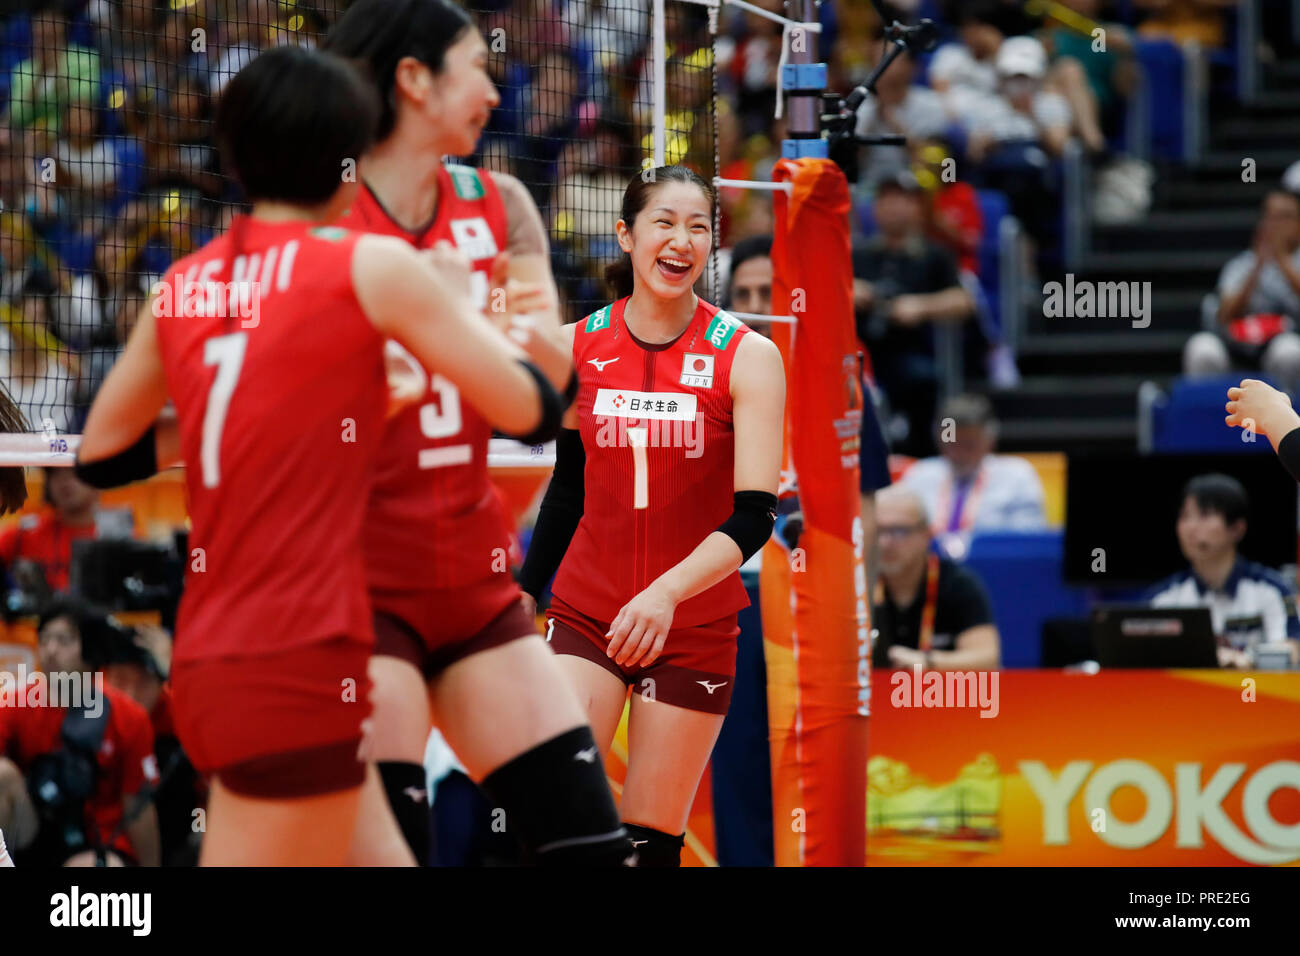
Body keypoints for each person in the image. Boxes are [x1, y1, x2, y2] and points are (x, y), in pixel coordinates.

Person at [73, 45, 566, 867]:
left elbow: (99, 455)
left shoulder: (186, 286)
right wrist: (502, 315)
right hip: (300, 658)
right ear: (348, 156)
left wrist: (226, 421)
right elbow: (530, 408)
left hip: (213, 650)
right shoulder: (367, 264)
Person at [325, 0, 637, 868]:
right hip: (354, 589)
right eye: (474, 67)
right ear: (414, 80)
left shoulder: (501, 207)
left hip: (471, 584)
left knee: (594, 849)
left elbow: (549, 402)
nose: (496, 92)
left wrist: (528, 363)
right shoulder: (318, 216)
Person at [519, 165, 787, 866]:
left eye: (699, 227)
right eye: (664, 222)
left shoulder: (748, 356)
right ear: (627, 236)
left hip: (691, 622)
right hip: (587, 612)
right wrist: (525, 586)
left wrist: (667, 593)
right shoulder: (577, 345)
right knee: (562, 825)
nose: (681, 240)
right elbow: (568, 488)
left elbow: (755, 516)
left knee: (649, 841)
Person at [0, 599, 161, 866]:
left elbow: (139, 809)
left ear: (90, 649)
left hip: (97, 842)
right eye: (45, 639)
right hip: (33, 832)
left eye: (64, 641)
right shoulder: (15, 703)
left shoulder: (127, 717)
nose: (51, 650)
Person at [853, 171, 975, 457]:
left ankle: (918, 453)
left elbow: (964, 301)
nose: (893, 207)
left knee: (921, 381)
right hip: (859, 353)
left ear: (918, 207)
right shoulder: (857, 255)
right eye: (886, 200)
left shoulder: (935, 255)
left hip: (912, 352)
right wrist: (849, 291)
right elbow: (819, 289)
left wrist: (920, 306)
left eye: (902, 200)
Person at [1145, 473, 1299, 668]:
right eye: (1185, 516)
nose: (1191, 528)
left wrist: (1246, 659)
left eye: (1204, 515)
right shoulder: (1162, 598)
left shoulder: (1272, 589)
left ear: (1237, 528)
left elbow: (1291, 649)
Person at [871, 485, 1000, 672]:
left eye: (899, 531)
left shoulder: (958, 584)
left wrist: (928, 663)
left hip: (942, 696)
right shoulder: (859, 585)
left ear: (927, 534)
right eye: (879, 531)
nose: (886, 542)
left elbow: (988, 659)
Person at [1185, 189, 1300, 389]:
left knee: (1289, 351)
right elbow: (1225, 315)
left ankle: (1285, 417)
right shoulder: (1240, 265)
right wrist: (1257, 267)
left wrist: (1283, 261)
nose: (1276, 225)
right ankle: (1209, 417)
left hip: (1280, 346)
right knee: (1202, 348)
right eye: (1271, 217)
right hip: (1238, 347)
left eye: (1285, 217)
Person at [901, 393, 1045, 547]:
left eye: (969, 445)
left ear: (990, 441)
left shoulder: (1017, 476)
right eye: (952, 444)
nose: (959, 454)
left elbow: (1028, 543)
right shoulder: (919, 475)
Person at [0, 467, 133, 597]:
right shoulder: (23, 536)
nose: (64, 480)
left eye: (75, 471)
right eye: (54, 472)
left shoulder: (120, 537)